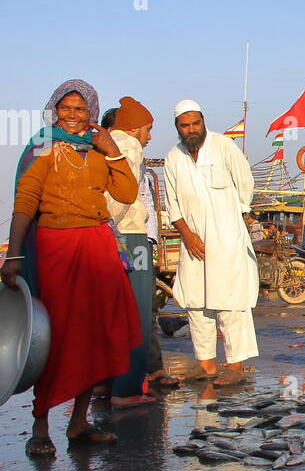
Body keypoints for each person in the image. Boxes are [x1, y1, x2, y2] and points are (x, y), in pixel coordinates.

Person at [3, 80, 143, 457]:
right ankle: (40, 425)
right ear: (53, 109)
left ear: (92, 114)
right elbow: (26, 200)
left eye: (80, 110)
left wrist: (112, 150)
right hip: (56, 246)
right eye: (65, 108)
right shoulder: (43, 147)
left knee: (95, 333)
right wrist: (13, 254)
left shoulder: (100, 150)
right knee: (58, 335)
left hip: (97, 245)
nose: (71, 115)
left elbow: (128, 194)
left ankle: (79, 422)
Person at [163, 99, 259, 386]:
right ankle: (206, 364)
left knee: (231, 302)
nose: (191, 129)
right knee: (196, 302)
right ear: (177, 128)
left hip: (227, 238)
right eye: (185, 125)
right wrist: (187, 235)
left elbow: (245, 184)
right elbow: (173, 204)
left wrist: (234, 219)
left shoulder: (223, 146)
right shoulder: (173, 158)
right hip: (192, 241)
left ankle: (235, 367)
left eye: (196, 123)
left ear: (203, 122)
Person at [105, 97, 158, 407]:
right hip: (130, 236)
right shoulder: (130, 146)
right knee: (136, 313)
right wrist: (111, 227)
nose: (149, 137)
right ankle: (127, 390)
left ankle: (106, 381)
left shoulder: (105, 142)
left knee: (112, 312)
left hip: (109, 236)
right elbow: (122, 195)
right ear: (137, 128)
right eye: (148, 130)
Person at [140, 163, 178, 388]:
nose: (149, 136)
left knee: (147, 307)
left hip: (144, 242)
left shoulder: (144, 172)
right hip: (132, 240)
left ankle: (152, 368)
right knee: (143, 307)